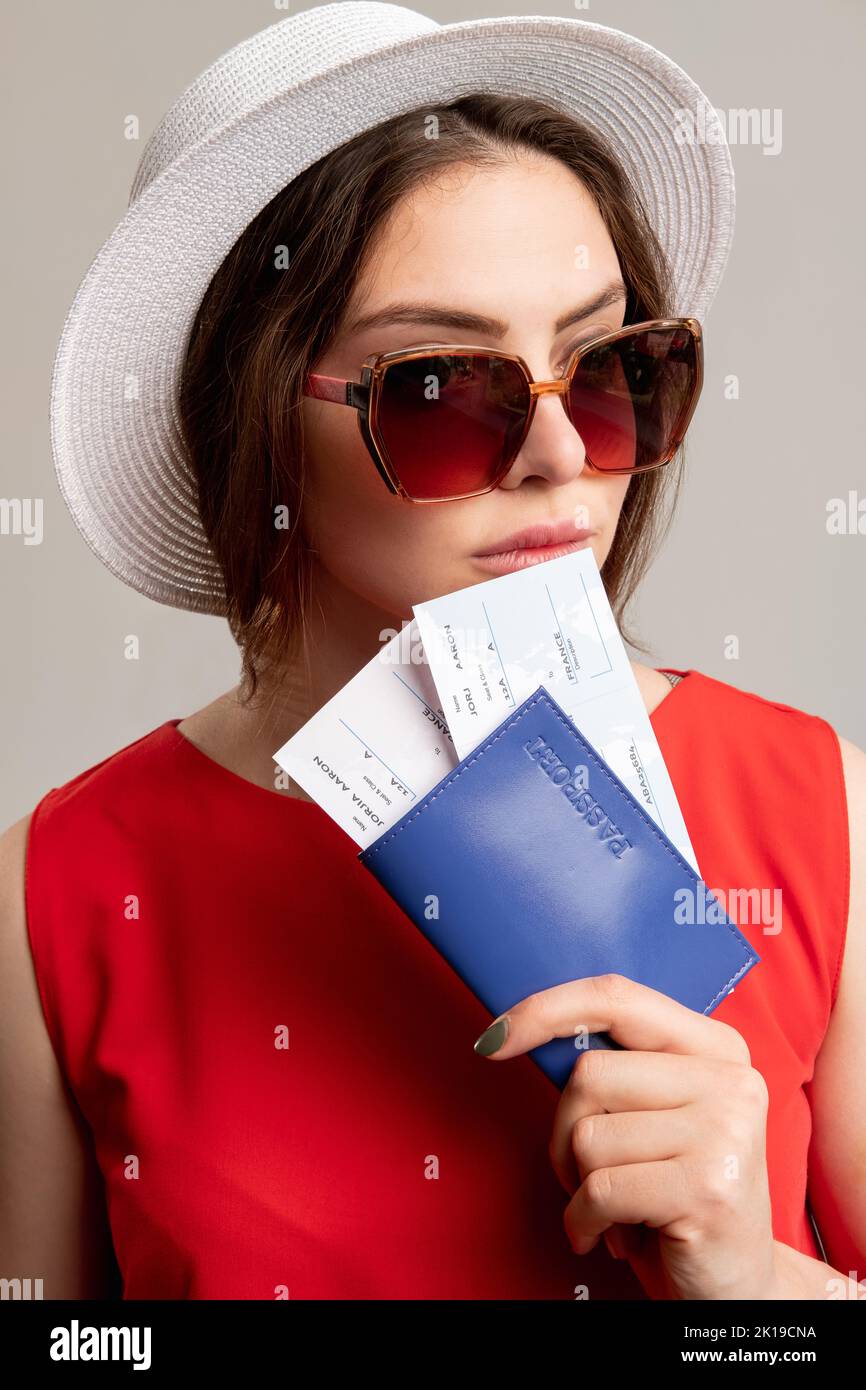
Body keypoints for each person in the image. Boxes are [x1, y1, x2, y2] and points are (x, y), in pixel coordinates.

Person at [2, 3, 864, 1301]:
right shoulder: (57, 891)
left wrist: (750, 1284)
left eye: (606, 363)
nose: (559, 453)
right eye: (441, 386)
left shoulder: (818, 810)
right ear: (255, 410)